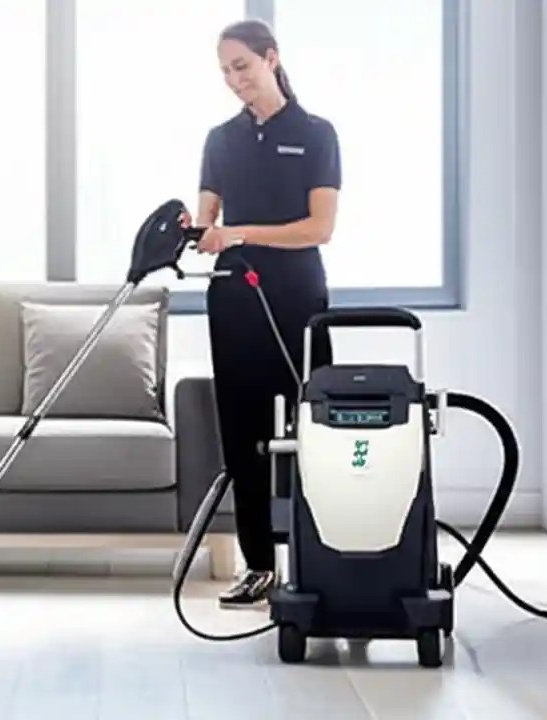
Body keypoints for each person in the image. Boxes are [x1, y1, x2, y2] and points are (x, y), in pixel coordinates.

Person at [180, 19, 341, 608]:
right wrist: (194, 233)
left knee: (311, 430)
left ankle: (320, 559)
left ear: (272, 58)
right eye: (224, 71)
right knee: (244, 433)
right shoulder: (220, 139)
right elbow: (205, 225)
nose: (233, 79)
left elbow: (319, 228)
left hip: (297, 296)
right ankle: (258, 566)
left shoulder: (316, 133)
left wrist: (239, 231)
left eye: (241, 66)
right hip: (233, 297)